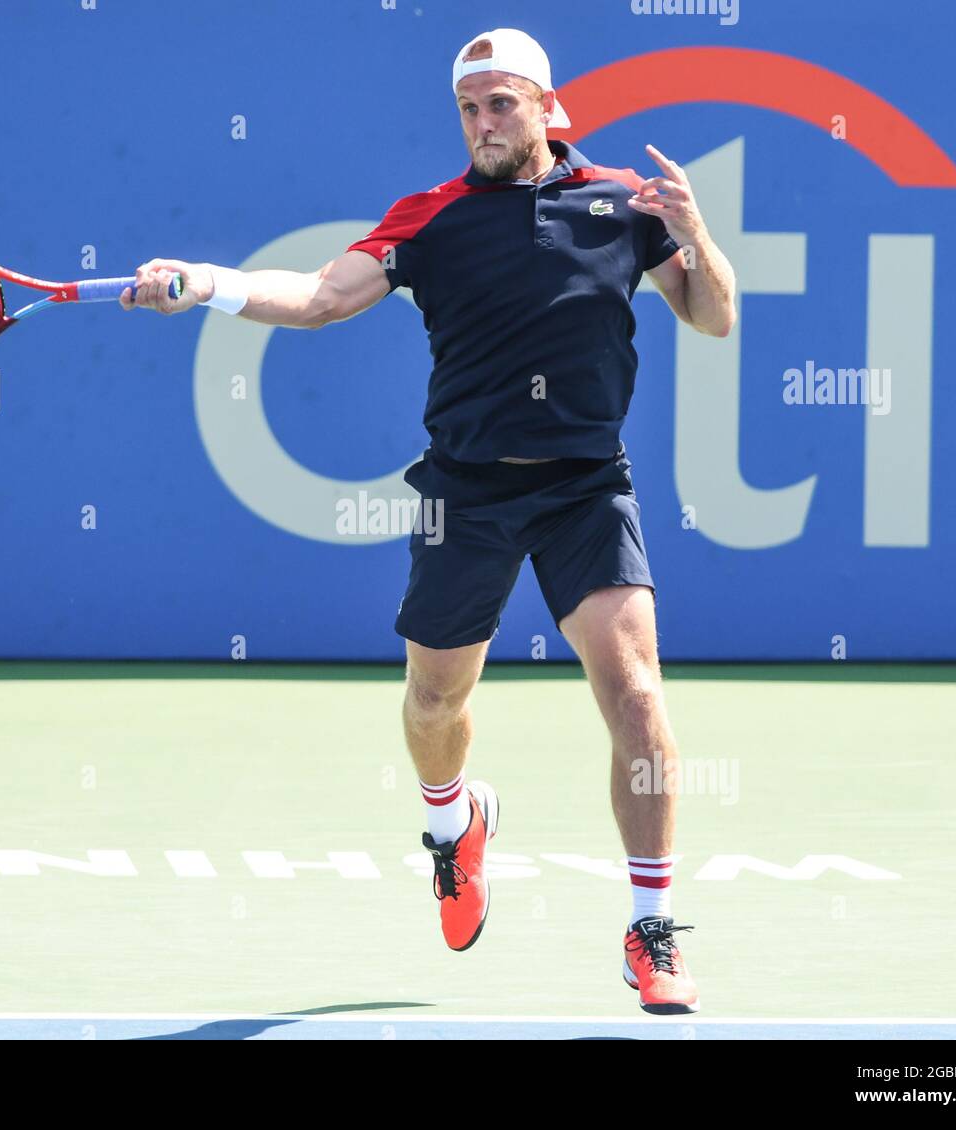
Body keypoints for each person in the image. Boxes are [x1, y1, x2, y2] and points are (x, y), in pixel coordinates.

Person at [121, 27, 736, 1015]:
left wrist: (694, 232)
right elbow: (322, 297)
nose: (485, 122)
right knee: (433, 704)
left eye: (502, 103)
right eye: (469, 108)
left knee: (635, 694)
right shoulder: (431, 216)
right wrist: (208, 283)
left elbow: (712, 316)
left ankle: (652, 928)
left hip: (587, 486)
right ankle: (454, 826)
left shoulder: (625, 203)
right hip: (468, 490)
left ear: (547, 105)